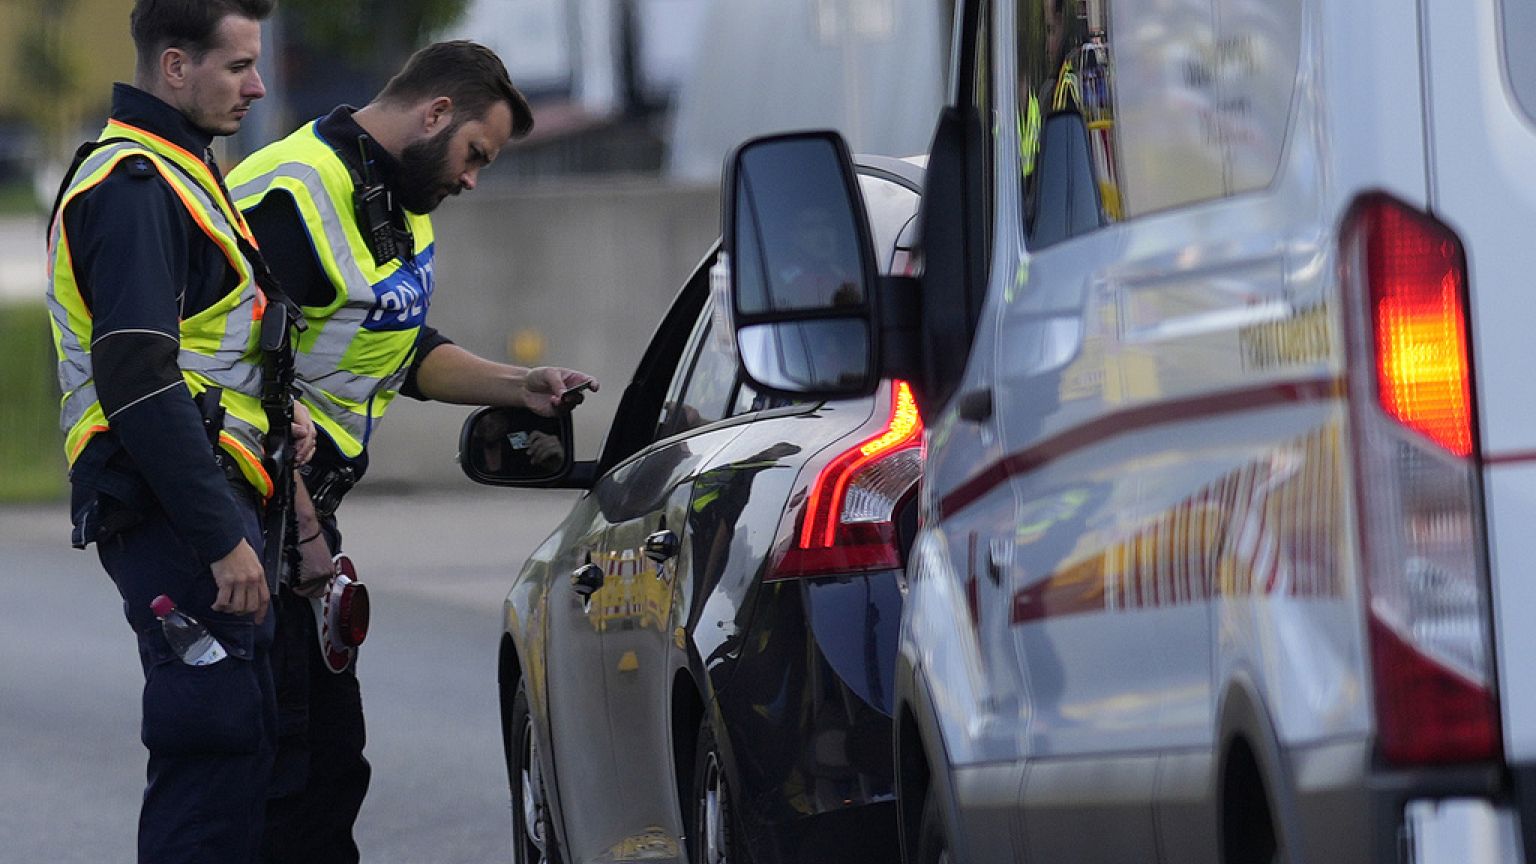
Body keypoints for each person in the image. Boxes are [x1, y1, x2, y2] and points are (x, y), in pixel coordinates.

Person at [226, 40, 598, 862]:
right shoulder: (292, 195)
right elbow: (237, 386)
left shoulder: (398, 197)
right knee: (277, 777)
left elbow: (393, 343)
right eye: (476, 155)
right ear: (435, 114)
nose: (472, 179)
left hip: (302, 525)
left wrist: (518, 385)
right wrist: (309, 542)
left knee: (331, 770)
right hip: (248, 519)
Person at [41, 1, 316, 861]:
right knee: (211, 751)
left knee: (243, 752)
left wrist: (276, 413)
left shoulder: (180, 168)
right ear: (173, 66)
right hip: (173, 509)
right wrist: (218, 540)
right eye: (238, 67)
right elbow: (137, 376)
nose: (258, 86)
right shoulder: (133, 185)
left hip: (205, 495)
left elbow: (200, 349)